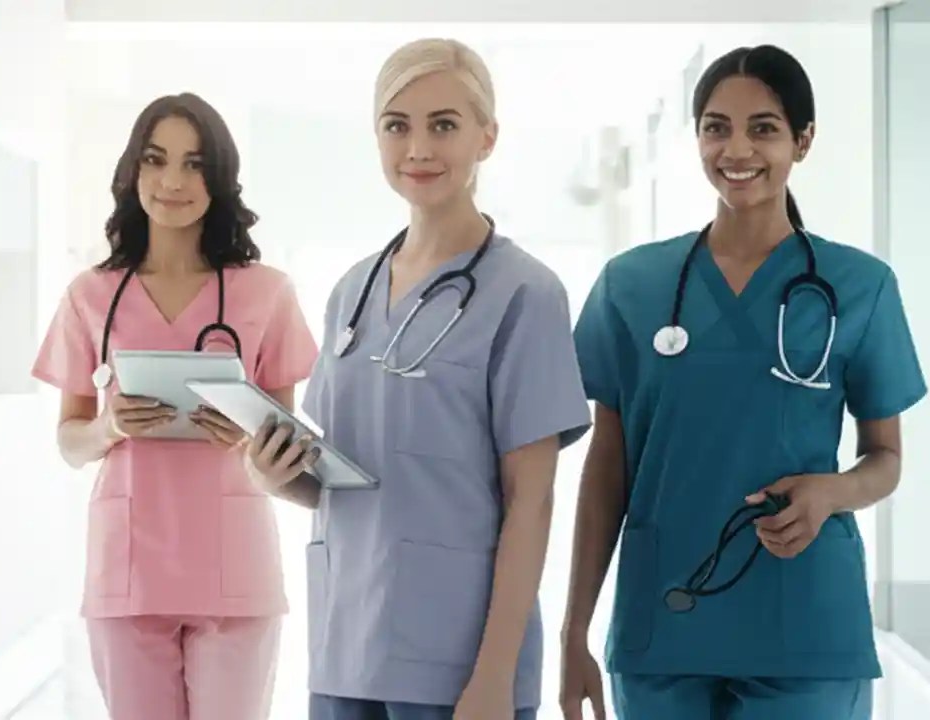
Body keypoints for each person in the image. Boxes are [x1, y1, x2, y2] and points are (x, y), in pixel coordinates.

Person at [559, 45, 927, 720]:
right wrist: (572, 630)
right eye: (716, 126)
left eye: (763, 127)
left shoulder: (860, 286)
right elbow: (605, 469)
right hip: (662, 624)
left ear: (803, 140)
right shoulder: (632, 286)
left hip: (805, 627)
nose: (737, 148)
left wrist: (832, 493)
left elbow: (887, 459)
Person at [244, 38, 591, 720]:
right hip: (347, 648)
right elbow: (340, 482)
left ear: (486, 138)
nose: (419, 148)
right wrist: (273, 474)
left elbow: (533, 502)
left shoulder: (524, 293)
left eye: (445, 124)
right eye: (397, 125)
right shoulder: (351, 290)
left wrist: (494, 676)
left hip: (458, 661)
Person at [31, 92, 319, 720]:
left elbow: (285, 444)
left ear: (219, 180)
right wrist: (109, 425)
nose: (173, 181)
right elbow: (69, 441)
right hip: (129, 567)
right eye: (157, 160)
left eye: (196, 165)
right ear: (134, 170)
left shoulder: (266, 293)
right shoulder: (91, 295)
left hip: (232, 564)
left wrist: (245, 433)